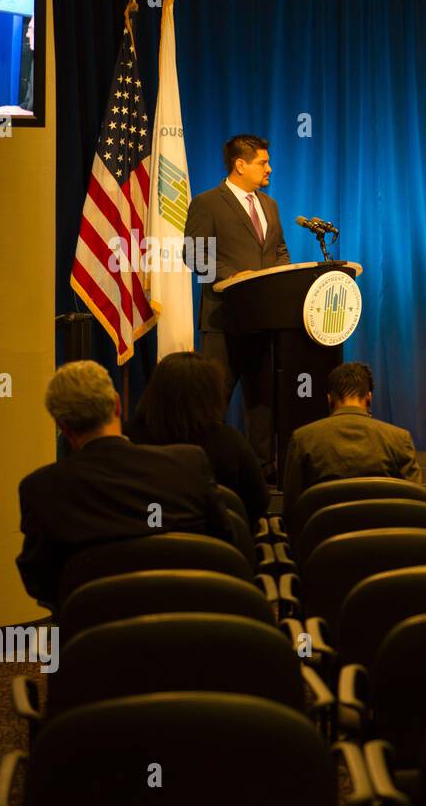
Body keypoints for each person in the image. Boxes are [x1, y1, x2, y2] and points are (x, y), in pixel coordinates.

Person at [16, 361, 234, 607]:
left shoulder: (41, 490)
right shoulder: (189, 464)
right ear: (117, 405)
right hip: (195, 624)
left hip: (93, 635)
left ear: (62, 426)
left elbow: (40, 583)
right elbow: (224, 547)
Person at [184, 134, 291, 475]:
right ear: (240, 164)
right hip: (223, 322)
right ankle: (203, 472)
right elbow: (194, 255)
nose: (269, 168)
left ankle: (262, 471)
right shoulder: (207, 203)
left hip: (264, 322)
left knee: (263, 404)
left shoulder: (270, 205)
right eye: (263, 162)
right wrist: (238, 278)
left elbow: (279, 251)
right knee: (212, 404)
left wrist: (280, 279)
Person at [126, 352, 269, 526]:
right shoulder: (229, 442)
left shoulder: (127, 439)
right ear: (211, 393)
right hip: (215, 546)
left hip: (137, 546)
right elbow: (258, 503)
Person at [282, 362, 423, 520]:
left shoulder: (302, 439)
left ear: (329, 399)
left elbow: (292, 509)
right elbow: (416, 505)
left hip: (321, 540)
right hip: (384, 540)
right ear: (369, 397)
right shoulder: (399, 439)